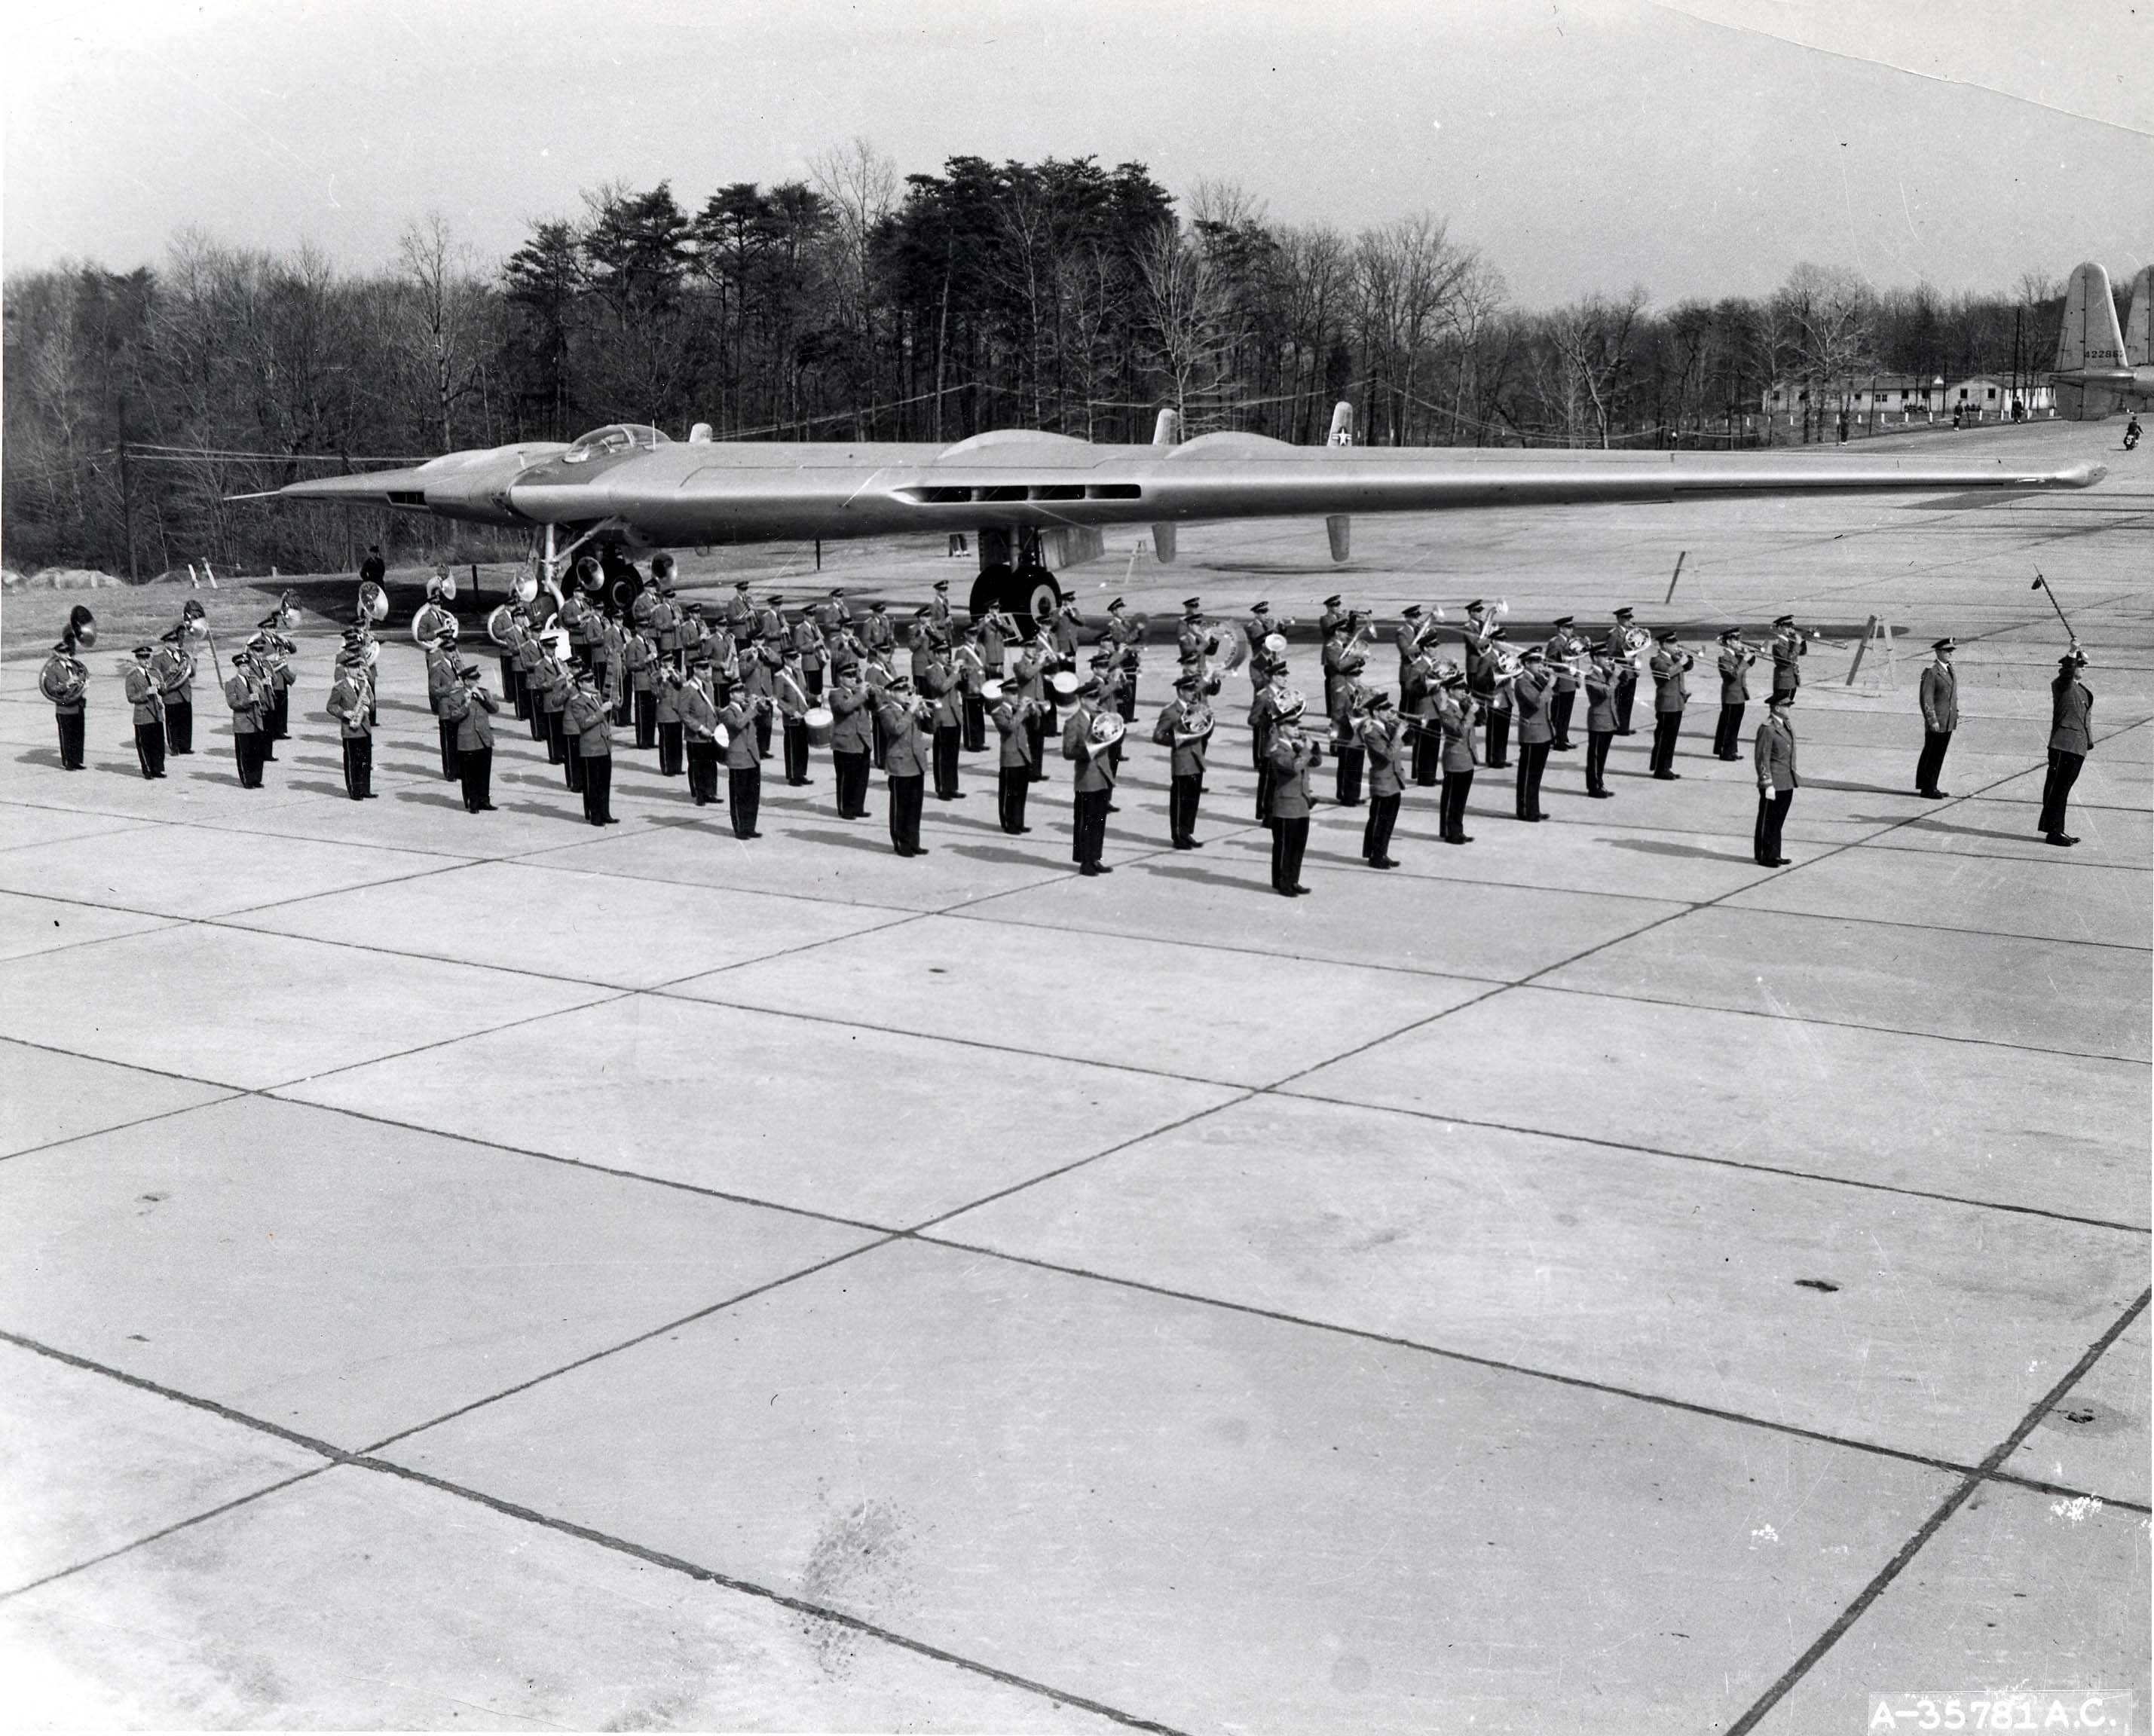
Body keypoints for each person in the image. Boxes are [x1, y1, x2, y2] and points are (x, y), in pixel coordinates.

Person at [1265, 689, 1320, 895]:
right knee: (1284, 847)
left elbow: (1316, 762)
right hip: (1286, 806)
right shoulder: (1277, 749)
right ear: (1281, 728)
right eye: (1292, 725)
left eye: (1297, 724)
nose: (1296, 728)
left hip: (1301, 803)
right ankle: (1282, 882)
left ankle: (1293, 880)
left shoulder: (1296, 747)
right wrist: (1305, 750)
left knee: (1298, 846)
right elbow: (1292, 768)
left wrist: (1312, 747)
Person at [1063, 681, 1119, 876]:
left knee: (1099, 821)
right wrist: (1088, 749)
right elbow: (1068, 752)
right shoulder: (1073, 722)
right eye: (1091, 698)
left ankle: (1095, 858)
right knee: (1086, 822)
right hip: (1087, 778)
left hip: (1103, 775)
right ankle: (1085, 862)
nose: (1096, 701)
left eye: (1097, 697)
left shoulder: (1101, 718)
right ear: (1081, 700)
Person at [2039, 648, 2093, 846]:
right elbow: (2067, 673)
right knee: (2058, 790)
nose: (2084, 669)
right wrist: (2072, 652)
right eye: (2081, 665)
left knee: (2063, 789)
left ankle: (2057, 830)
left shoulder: (2079, 689)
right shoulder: (2063, 685)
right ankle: (2054, 832)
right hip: (2064, 745)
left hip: (2076, 746)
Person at [1155, 673, 1213, 848]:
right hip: (1182, 760)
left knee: (1192, 799)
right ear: (1180, 691)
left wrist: (1210, 721)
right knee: (1180, 800)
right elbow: (1158, 736)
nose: (1192, 693)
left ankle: (1187, 832)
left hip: (1196, 758)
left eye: (1193, 689)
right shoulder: (1171, 712)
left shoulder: (1196, 708)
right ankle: (1178, 835)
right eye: (1188, 690)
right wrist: (1177, 739)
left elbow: (1205, 733)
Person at [877, 677, 929, 856]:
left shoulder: (910, 710)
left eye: (907, 690)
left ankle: (914, 841)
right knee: (901, 807)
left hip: (916, 762)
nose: (906, 693)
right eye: (900, 690)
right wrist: (912, 710)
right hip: (900, 763)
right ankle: (901, 843)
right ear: (890, 694)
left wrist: (925, 713)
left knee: (915, 805)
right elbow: (897, 729)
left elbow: (932, 728)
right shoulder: (887, 711)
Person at [442, 662, 499, 813]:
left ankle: (484, 800)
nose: (477, 683)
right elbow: (454, 717)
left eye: (477, 680)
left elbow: (495, 709)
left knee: (484, 771)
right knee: (470, 774)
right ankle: (473, 802)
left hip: (484, 739)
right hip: (467, 740)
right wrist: (466, 704)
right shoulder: (456, 696)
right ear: (467, 681)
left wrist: (483, 699)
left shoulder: (484, 693)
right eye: (474, 680)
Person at [40, 609, 92, 770]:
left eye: (68, 651)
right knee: (66, 736)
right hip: (64, 707)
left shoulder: (74, 665)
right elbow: (52, 689)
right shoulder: (53, 669)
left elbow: (83, 675)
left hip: (78, 703)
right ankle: (68, 762)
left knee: (78, 733)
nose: (67, 654)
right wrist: (68, 683)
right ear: (57, 653)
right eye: (63, 652)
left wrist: (82, 681)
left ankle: (77, 760)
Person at [1358, 692, 1403, 868]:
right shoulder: (1372, 732)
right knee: (1379, 820)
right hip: (1383, 780)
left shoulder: (1385, 727)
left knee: (1389, 819)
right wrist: (1398, 735)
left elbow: (1411, 740)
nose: (1389, 712)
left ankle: (1382, 852)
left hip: (1393, 778)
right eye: (1385, 709)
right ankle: (1375, 855)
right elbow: (1387, 755)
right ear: (1375, 712)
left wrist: (1400, 726)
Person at [1753, 693, 1798, 866]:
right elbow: (1761, 758)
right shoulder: (1768, 728)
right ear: (1777, 708)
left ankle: (1775, 853)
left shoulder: (1785, 725)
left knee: (1778, 820)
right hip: (1774, 782)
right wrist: (1767, 783)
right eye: (1786, 706)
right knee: (1768, 819)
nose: (1789, 709)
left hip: (1786, 780)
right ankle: (1764, 855)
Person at [1435, 669, 1479, 843]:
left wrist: (1474, 708)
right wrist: (1470, 713)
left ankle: (1458, 829)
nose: (1464, 692)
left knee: (1461, 798)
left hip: (1467, 755)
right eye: (1460, 688)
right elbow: (1458, 731)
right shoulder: (1445, 710)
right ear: (1451, 690)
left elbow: (1482, 720)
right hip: (1454, 757)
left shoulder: (1463, 705)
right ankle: (1448, 831)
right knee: (1451, 797)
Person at [717, 681, 766, 839]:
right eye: (738, 692)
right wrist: (752, 708)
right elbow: (737, 725)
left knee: (752, 795)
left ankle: (750, 827)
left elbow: (761, 715)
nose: (742, 694)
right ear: (731, 694)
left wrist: (762, 705)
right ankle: (740, 828)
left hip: (752, 757)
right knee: (739, 796)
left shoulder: (745, 709)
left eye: (743, 691)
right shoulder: (727, 711)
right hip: (738, 758)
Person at [1512, 646, 1554, 820]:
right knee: (1528, 774)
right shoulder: (1522, 682)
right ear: (1526, 664)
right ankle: (1524, 810)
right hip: (1532, 733)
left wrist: (1547, 681)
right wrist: (1549, 684)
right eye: (1536, 662)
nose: (1540, 665)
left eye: (1540, 662)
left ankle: (1534, 809)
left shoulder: (1537, 679)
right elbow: (1536, 703)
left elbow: (1552, 694)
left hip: (1543, 731)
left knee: (1536, 775)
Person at [569, 672, 617, 825]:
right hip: (590, 746)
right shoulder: (577, 702)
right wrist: (602, 710)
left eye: (592, 680)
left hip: (603, 744)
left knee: (604, 782)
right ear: (580, 684)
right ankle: (594, 815)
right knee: (592, 783)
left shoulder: (596, 697)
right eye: (588, 681)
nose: (591, 683)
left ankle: (605, 812)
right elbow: (584, 723)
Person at [828, 662, 874, 819]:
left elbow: (874, 707)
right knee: (847, 778)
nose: (853, 679)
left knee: (861, 777)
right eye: (848, 676)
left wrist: (872, 693)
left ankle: (858, 807)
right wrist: (861, 694)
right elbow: (845, 708)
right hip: (846, 741)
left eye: (855, 676)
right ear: (840, 678)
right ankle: (845, 808)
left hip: (863, 739)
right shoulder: (836, 694)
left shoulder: (859, 693)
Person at [326, 650, 374, 799]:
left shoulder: (362, 684)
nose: (357, 670)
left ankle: (365, 789)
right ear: (346, 669)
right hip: (351, 729)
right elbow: (331, 706)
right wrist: (343, 713)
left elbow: (372, 707)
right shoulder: (340, 687)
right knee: (353, 761)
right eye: (353, 667)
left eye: (358, 667)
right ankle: (354, 791)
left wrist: (369, 703)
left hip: (364, 727)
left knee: (366, 761)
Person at [1916, 637, 1958, 798]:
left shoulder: (1949, 669)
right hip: (1937, 721)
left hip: (1947, 720)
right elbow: (1926, 699)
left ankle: (1932, 785)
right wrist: (1931, 720)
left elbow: (1952, 696)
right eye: (1947, 651)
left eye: (1951, 651)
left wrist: (1955, 714)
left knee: (1938, 755)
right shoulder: (1932, 672)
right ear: (1938, 652)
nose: (1950, 654)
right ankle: (1928, 788)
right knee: (1932, 754)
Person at [1647, 629, 1692, 779]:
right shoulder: (1656, 660)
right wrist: (1680, 662)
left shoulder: (1673, 658)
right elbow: (1666, 674)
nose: (1676, 645)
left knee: (1671, 738)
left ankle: (1667, 766)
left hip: (1677, 702)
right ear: (1664, 645)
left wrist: (1686, 660)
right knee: (1663, 737)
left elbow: (1686, 667)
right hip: (1666, 703)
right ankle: (1660, 769)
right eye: (1672, 643)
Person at [151, 616, 199, 755]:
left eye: (176, 641)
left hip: (185, 693)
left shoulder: (183, 654)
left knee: (186, 722)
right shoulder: (158, 658)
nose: (176, 643)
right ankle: (175, 747)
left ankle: (186, 746)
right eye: (172, 641)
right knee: (173, 723)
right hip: (172, 694)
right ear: (166, 643)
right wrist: (169, 670)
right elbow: (155, 677)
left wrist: (193, 660)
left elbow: (192, 673)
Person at [993, 684, 1038, 834]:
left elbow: (1035, 726)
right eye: (1012, 693)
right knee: (1009, 793)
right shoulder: (999, 712)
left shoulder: (1019, 711)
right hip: (1010, 758)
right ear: (1004, 694)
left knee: (1021, 792)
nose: (1015, 697)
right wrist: (1021, 711)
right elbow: (1009, 727)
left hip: (1023, 755)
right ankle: (1008, 823)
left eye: (1016, 693)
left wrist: (1033, 710)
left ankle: (1019, 822)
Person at [922, 642, 964, 799]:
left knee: (953, 755)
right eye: (942, 652)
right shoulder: (931, 670)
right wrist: (955, 673)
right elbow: (941, 688)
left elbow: (961, 687)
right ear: (935, 654)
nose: (946, 655)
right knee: (942, 755)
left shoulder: (948, 668)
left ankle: (953, 787)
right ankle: (942, 788)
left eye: (947, 652)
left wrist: (962, 675)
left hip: (954, 714)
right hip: (943, 716)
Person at [678, 664, 722, 807]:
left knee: (710, 763)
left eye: (708, 669)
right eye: (703, 669)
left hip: (711, 731)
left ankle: (710, 792)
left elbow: (711, 707)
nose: (706, 671)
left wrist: (722, 711)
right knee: (697, 764)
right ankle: (699, 794)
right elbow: (683, 713)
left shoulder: (708, 685)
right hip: (696, 734)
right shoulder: (688, 688)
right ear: (696, 670)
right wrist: (700, 728)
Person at [222, 650, 268, 788]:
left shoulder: (254, 681)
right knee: (245, 753)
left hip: (256, 720)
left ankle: (256, 779)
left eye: (248, 666)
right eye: (243, 667)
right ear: (238, 668)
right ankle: (247, 780)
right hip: (243, 722)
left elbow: (263, 700)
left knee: (258, 753)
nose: (247, 669)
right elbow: (233, 704)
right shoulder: (232, 683)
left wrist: (260, 692)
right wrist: (248, 700)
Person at [124, 644, 167, 779]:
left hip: (156, 712)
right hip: (143, 713)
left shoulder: (154, 672)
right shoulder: (132, 676)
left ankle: (158, 768)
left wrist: (161, 686)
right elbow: (131, 697)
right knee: (145, 743)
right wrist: (146, 692)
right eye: (142, 658)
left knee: (159, 742)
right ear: (137, 659)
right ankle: (147, 769)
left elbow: (163, 691)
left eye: (147, 657)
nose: (146, 660)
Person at [425, 631, 462, 781]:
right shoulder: (438, 667)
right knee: (448, 743)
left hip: (457, 707)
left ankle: (458, 769)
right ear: (443, 651)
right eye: (450, 651)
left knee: (458, 741)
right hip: (446, 709)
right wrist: (451, 687)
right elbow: (434, 690)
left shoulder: (456, 665)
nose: (453, 653)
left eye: (454, 650)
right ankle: (450, 771)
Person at [1582, 646, 1617, 799]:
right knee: (1595, 756)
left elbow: (1619, 684)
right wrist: (1614, 675)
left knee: (1602, 755)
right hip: (1598, 719)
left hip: (1609, 718)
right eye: (1604, 656)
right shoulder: (1591, 676)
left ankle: (1600, 783)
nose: (1607, 659)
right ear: (1596, 657)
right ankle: (1593, 786)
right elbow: (1605, 692)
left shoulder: (1605, 673)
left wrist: (1613, 673)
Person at [1712, 630, 1752, 760]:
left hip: (1740, 694)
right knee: (1728, 724)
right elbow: (1732, 676)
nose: (1739, 643)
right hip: (1730, 695)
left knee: (1736, 724)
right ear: (1728, 642)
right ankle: (1724, 751)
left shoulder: (1737, 656)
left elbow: (1750, 662)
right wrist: (1744, 660)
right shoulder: (1724, 659)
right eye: (1736, 640)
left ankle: (1732, 749)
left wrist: (1747, 655)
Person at [1544, 617, 1580, 751]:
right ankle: (1557, 740)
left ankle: (1563, 737)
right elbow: (1552, 661)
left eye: (1572, 628)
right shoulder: (1555, 642)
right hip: (1561, 682)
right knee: (1559, 713)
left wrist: (1577, 676)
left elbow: (1576, 660)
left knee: (1566, 713)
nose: (1572, 630)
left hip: (1570, 681)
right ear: (1561, 629)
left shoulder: (1571, 641)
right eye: (1569, 627)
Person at [1608, 606, 1641, 734]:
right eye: (1626, 618)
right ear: (1619, 619)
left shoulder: (1631, 633)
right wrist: (1626, 660)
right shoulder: (1614, 634)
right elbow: (1610, 655)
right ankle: (1617, 726)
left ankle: (1624, 726)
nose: (1629, 620)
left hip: (1631, 671)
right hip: (1621, 671)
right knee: (1620, 700)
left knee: (1628, 700)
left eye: (1630, 618)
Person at [1770, 614, 1806, 704]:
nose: (1790, 629)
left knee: (1785, 711)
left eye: (1791, 627)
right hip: (1783, 682)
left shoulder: (1789, 641)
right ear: (1780, 628)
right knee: (1781, 710)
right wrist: (1797, 644)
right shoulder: (1778, 643)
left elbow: (1803, 652)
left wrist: (1802, 639)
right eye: (1787, 627)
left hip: (1792, 679)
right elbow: (1787, 661)